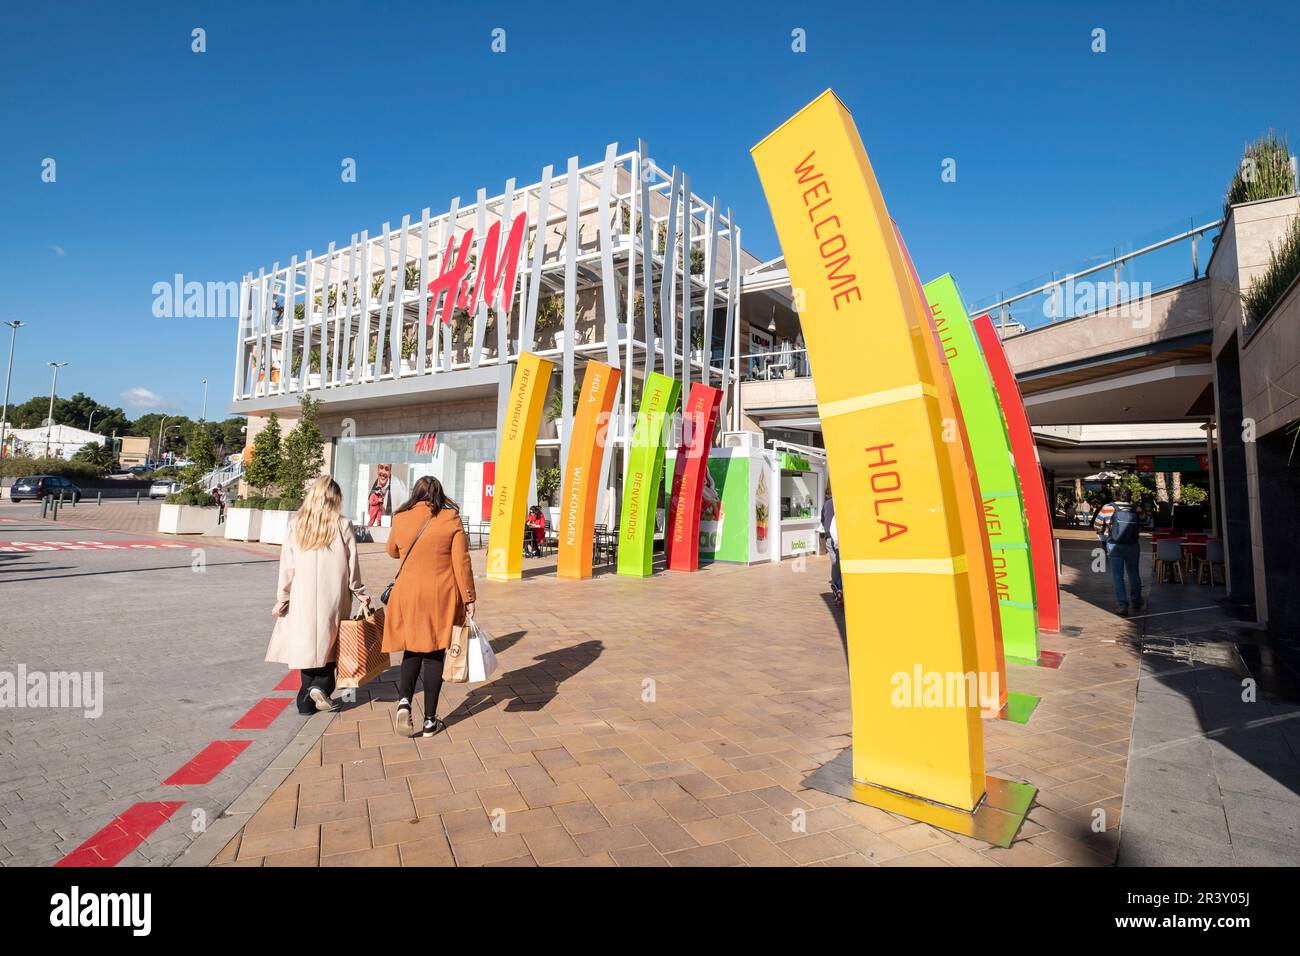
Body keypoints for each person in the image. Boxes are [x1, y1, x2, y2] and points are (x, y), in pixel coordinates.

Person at [266, 476, 370, 715]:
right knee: (332, 643)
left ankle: (305, 701)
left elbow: (287, 565)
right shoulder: (342, 524)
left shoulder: (297, 524)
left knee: (307, 647)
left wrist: (283, 597)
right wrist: (359, 590)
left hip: (303, 594)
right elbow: (352, 562)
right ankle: (321, 687)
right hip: (333, 593)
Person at [384, 475, 476, 738]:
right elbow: (462, 562)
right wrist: (468, 597)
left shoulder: (401, 517)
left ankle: (404, 701)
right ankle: (429, 721)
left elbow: (391, 550)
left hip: (408, 595)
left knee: (412, 649)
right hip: (440, 595)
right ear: (440, 493)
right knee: (435, 654)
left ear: (416, 493)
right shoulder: (451, 518)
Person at [1093, 486, 1144, 616]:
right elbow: (1145, 520)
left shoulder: (1108, 507)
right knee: (1134, 574)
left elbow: (1097, 524)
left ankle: (1123, 606)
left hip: (1114, 544)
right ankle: (1137, 600)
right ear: (1129, 495)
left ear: (1116, 495)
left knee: (1118, 576)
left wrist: (1103, 533)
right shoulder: (1136, 508)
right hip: (1133, 544)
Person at [819, 486, 842, 606]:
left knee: (835, 564)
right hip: (836, 537)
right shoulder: (842, 503)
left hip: (829, 536)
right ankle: (839, 588)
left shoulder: (827, 504)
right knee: (838, 564)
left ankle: (837, 588)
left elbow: (822, 520)